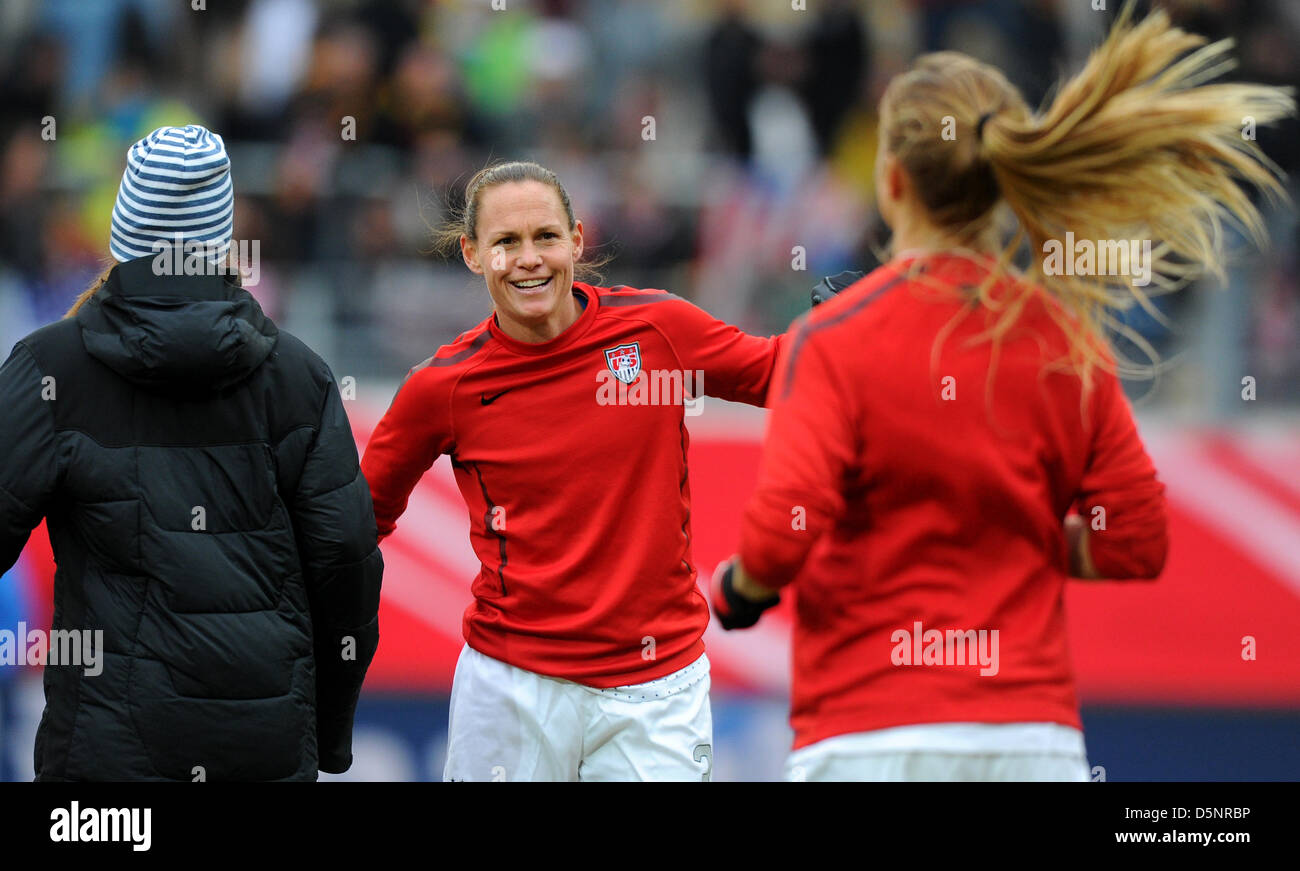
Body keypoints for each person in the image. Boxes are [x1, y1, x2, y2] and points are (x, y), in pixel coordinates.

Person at [712, 6, 1293, 781]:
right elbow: (1135, 540)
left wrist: (737, 587)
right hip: (1031, 738)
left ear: (890, 183)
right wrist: (1016, 530)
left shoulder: (836, 338)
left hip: (871, 733)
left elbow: (784, 535)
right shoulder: (1063, 338)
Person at [361, 160, 785, 781]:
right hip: (511, 690)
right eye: (506, 242)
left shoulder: (658, 330)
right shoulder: (442, 387)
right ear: (473, 255)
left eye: (546, 237)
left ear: (577, 240)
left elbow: (782, 375)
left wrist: (855, 332)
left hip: (659, 686)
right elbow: (355, 521)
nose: (529, 258)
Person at [0, 124, 383, 781]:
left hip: (102, 762)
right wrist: (330, 735)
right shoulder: (302, 376)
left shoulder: (49, 367)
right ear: (223, 238)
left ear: (122, 231)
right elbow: (347, 567)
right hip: (265, 752)